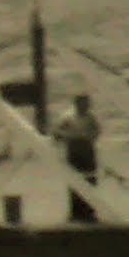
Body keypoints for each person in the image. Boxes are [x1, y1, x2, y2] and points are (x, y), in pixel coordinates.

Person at [52, 93, 100, 222]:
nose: (85, 106)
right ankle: (75, 212)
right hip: (73, 151)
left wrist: (88, 136)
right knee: (74, 181)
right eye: (83, 103)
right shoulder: (67, 117)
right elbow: (56, 133)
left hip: (88, 151)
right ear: (76, 103)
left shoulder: (91, 118)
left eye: (87, 103)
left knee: (90, 180)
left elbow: (96, 132)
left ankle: (89, 211)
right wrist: (71, 136)